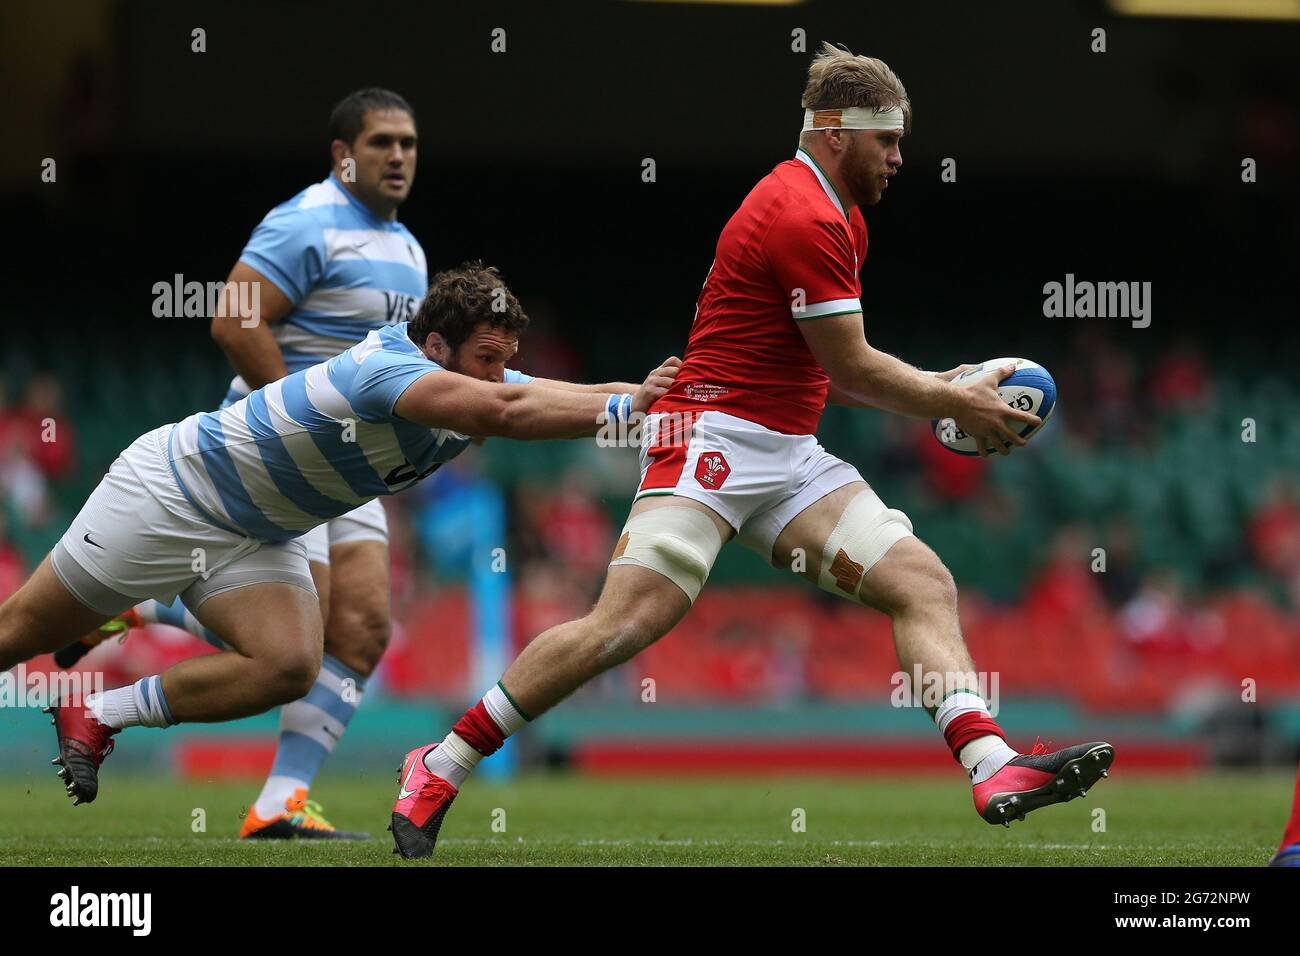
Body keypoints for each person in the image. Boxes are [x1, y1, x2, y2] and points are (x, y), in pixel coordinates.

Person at [389, 43, 1113, 859]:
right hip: (708, 436)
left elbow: (823, 366)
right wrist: (952, 398)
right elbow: (851, 364)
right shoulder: (801, 215)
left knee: (923, 584)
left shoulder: (840, 215)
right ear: (838, 133)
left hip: (786, 449)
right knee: (621, 627)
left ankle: (992, 766)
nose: (902, 157)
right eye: (890, 140)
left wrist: (942, 384)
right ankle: (440, 762)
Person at [0, 263, 679, 814]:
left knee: (290, 664)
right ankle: (126, 620)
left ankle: (96, 710)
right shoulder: (386, 370)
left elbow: (545, 392)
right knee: (16, 636)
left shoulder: (475, 373)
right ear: (435, 347)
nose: (499, 373)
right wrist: (625, 410)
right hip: (173, 496)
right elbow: (511, 408)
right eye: (487, 359)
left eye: (506, 360)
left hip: (259, 533)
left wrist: (662, 402)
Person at [82, 88, 437, 838]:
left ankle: (279, 802)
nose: (398, 155)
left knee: (366, 625)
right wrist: (299, 417)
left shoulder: (407, 248)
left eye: (408, 142)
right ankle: (140, 610)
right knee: (290, 645)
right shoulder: (309, 219)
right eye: (381, 142)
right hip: (288, 453)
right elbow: (234, 315)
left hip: (350, 462)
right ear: (343, 155)